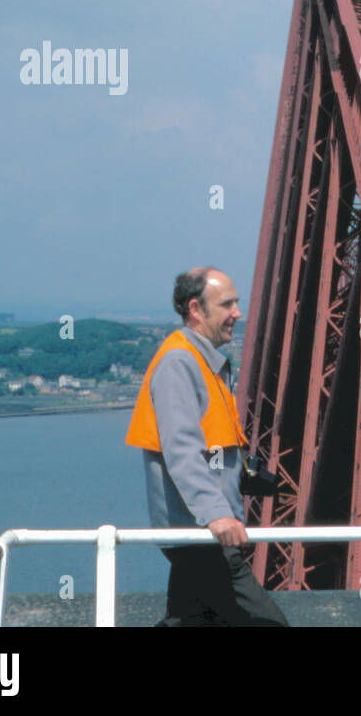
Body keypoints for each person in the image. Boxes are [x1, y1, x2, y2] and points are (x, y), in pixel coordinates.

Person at [125, 267, 288, 626]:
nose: (238, 313)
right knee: (269, 625)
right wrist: (216, 513)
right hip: (201, 533)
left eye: (237, 303)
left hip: (197, 531)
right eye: (227, 304)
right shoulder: (180, 361)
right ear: (196, 309)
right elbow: (181, 448)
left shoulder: (200, 359)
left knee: (189, 619)